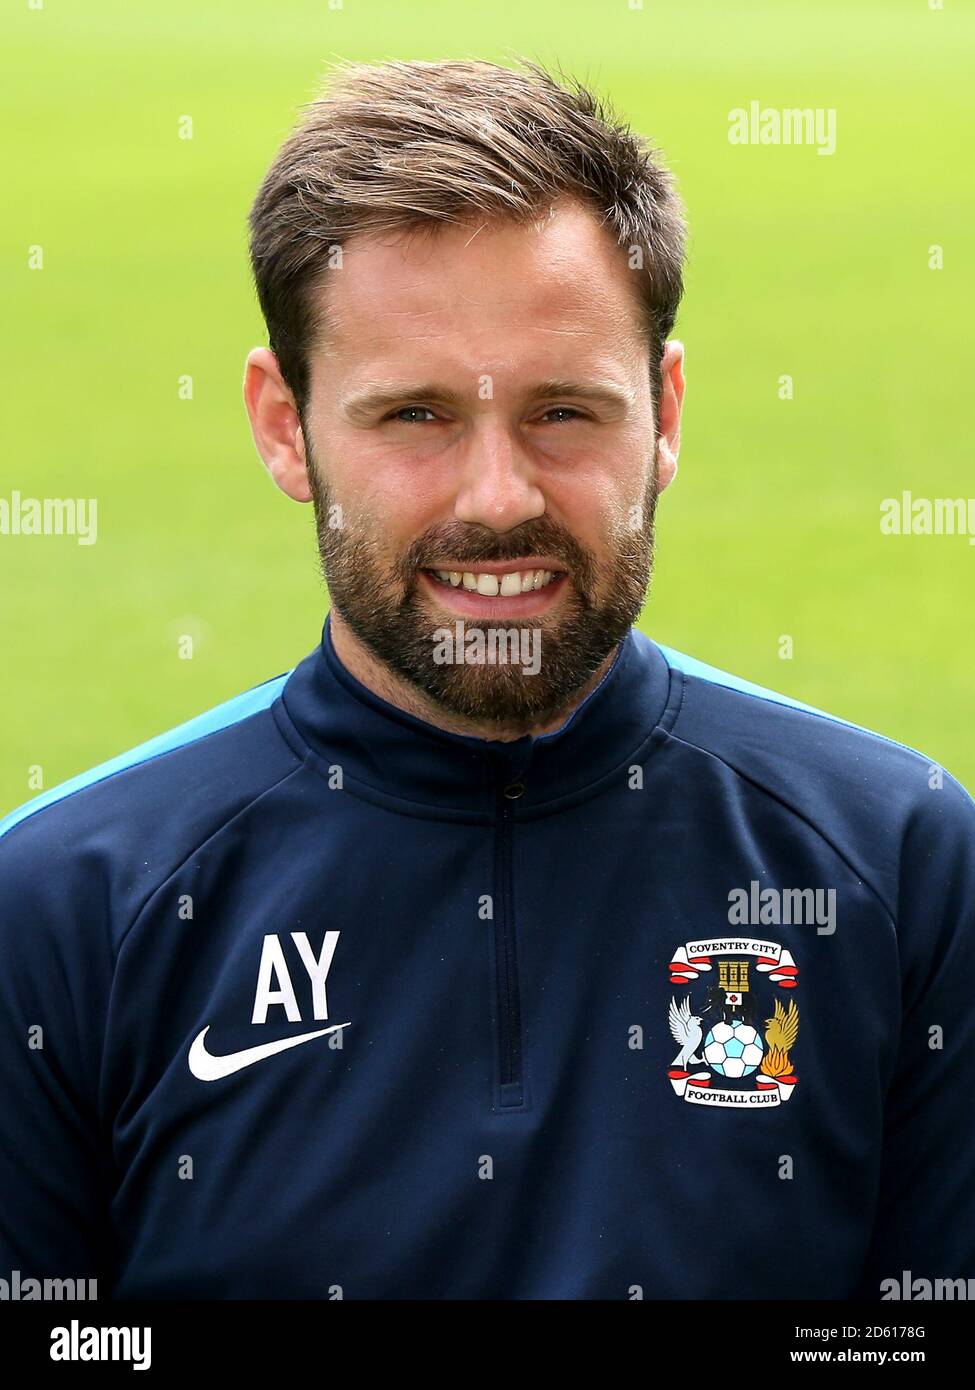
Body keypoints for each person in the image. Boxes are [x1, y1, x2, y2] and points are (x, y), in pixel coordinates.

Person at [1, 58, 972, 1301]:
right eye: (414, 417)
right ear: (283, 426)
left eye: (564, 411)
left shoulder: (900, 863)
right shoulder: (63, 907)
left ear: (665, 415)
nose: (499, 499)